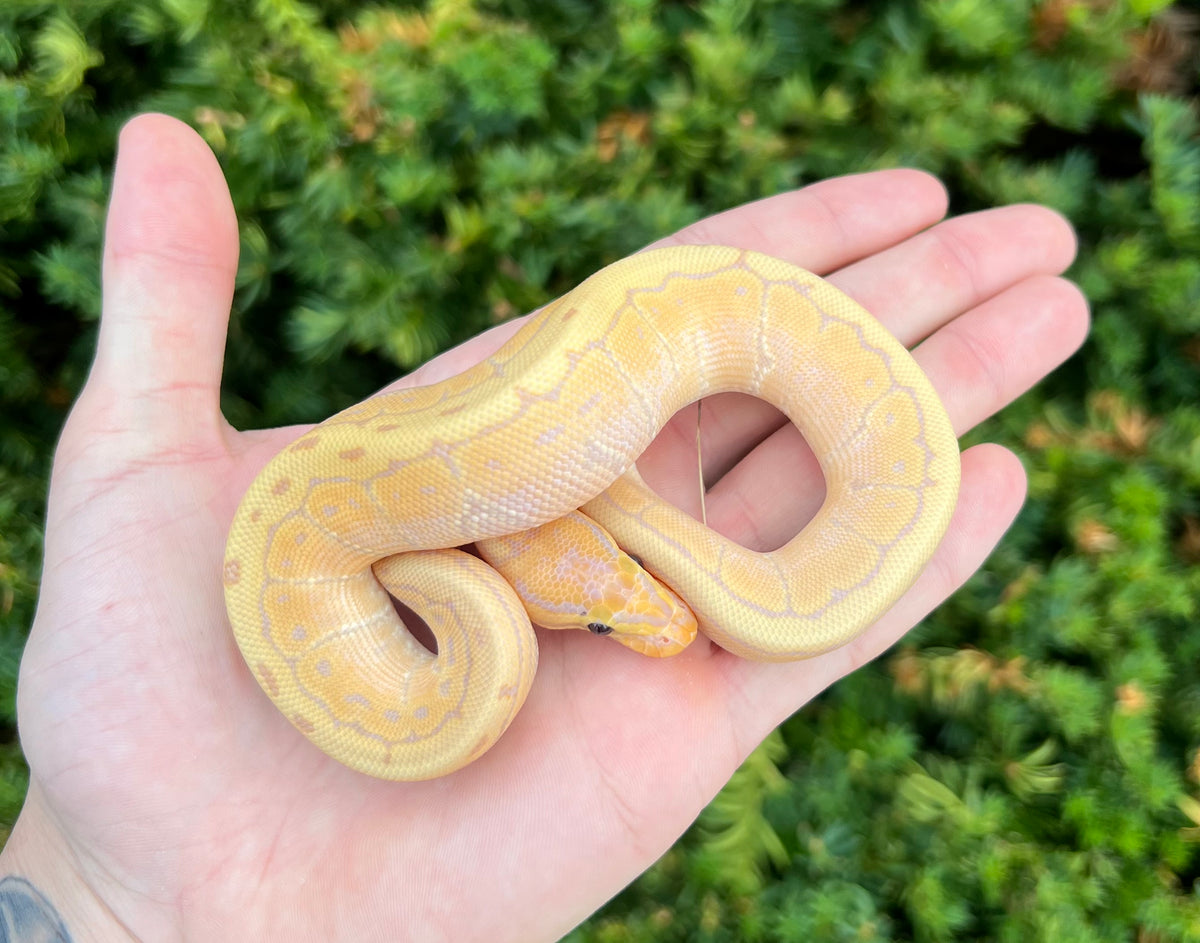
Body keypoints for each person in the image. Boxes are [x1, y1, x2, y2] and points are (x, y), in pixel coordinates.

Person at [0, 113, 1088, 941]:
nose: (649, 620)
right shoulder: (442, 604)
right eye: (608, 618)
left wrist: (105, 906)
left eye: (609, 605)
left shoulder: (478, 534)